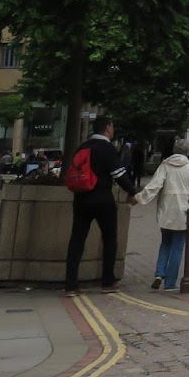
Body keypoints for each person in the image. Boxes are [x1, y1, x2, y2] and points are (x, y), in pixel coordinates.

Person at [63, 117, 138, 295]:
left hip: (81, 198)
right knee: (109, 238)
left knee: (77, 239)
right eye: (112, 127)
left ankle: (71, 285)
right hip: (102, 198)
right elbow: (119, 174)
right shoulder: (107, 148)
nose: (113, 130)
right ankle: (107, 281)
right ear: (107, 128)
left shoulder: (83, 147)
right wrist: (132, 191)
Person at [131, 139, 189, 291]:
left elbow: (154, 187)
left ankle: (159, 274)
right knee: (178, 247)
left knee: (165, 243)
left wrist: (138, 198)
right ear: (188, 151)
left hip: (166, 211)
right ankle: (170, 283)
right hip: (184, 213)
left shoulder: (165, 166)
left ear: (174, 150)